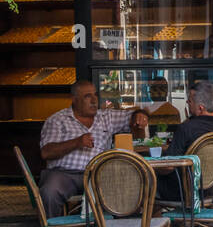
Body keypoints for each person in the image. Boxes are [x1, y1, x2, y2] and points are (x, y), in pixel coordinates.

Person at [38, 81, 149, 216]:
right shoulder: (57, 120)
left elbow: (132, 116)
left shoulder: (106, 117)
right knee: (50, 191)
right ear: (74, 99)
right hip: (65, 175)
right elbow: (46, 152)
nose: (94, 100)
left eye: (95, 95)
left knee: (129, 185)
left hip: (99, 174)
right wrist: (77, 142)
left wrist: (140, 116)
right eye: (87, 96)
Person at [157, 81, 213, 202]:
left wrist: (153, 168)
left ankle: (159, 220)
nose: (187, 103)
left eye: (190, 101)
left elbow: (169, 166)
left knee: (150, 181)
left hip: (185, 192)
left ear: (200, 107)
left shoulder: (186, 128)